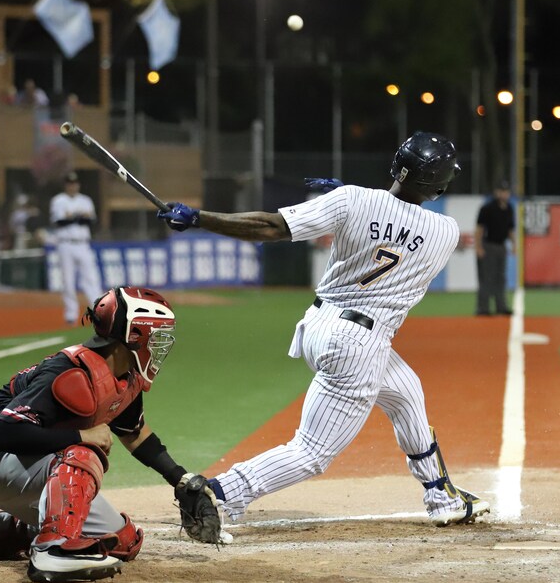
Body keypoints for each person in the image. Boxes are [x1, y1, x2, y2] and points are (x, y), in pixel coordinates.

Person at [157, 131, 490, 530]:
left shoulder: (351, 200)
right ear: (437, 186)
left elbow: (269, 227)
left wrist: (199, 218)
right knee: (312, 451)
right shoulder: (445, 232)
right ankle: (216, 492)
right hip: (359, 342)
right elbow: (390, 219)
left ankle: (440, 496)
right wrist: (349, 198)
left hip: (319, 324)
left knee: (406, 393)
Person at [0, 286, 216, 583]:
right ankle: (52, 551)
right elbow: (6, 431)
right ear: (134, 335)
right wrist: (82, 435)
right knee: (84, 452)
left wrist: (181, 480)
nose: (161, 344)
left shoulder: (124, 374)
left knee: (123, 542)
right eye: (157, 335)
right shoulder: (70, 371)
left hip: (28, 463)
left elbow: (134, 434)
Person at [50, 172, 104, 325]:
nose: (72, 186)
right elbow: (59, 222)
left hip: (83, 243)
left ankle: (99, 311)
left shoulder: (85, 200)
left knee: (91, 278)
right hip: (65, 243)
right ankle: (70, 314)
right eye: (69, 183)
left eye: (74, 183)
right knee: (68, 280)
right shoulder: (58, 200)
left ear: (78, 185)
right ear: (65, 185)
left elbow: (90, 221)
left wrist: (72, 217)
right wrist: (78, 217)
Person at [475, 180, 516, 316]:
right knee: (487, 278)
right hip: (489, 246)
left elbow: (510, 229)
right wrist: (479, 247)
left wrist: (514, 244)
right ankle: (483, 308)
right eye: (502, 191)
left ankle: (501, 306)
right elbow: (479, 229)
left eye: (506, 191)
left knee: (501, 277)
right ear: (496, 192)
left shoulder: (509, 208)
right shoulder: (487, 208)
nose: (504, 194)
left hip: (501, 246)